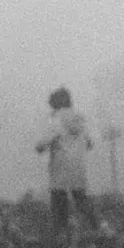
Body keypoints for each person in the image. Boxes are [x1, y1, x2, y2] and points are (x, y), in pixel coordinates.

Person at [35, 86, 105, 237]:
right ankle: (97, 229)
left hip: (60, 167)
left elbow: (44, 142)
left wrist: (40, 147)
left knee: (59, 203)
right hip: (77, 166)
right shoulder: (79, 118)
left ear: (57, 102)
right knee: (81, 199)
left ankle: (61, 234)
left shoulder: (56, 118)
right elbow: (90, 143)